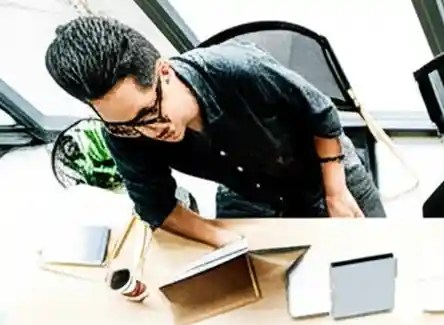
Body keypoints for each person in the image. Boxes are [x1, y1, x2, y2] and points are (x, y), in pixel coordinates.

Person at [45, 16, 385, 249]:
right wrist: (221, 238)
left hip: (322, 166)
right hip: (248, 190)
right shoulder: (124, 132)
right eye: (126, 125)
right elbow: (156, 208)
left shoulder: (240, 68)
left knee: (376, 252)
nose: (149, 131)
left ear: (164, 71)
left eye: (150, 113)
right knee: (256, 295)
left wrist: (335, 193)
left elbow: (320, 113)